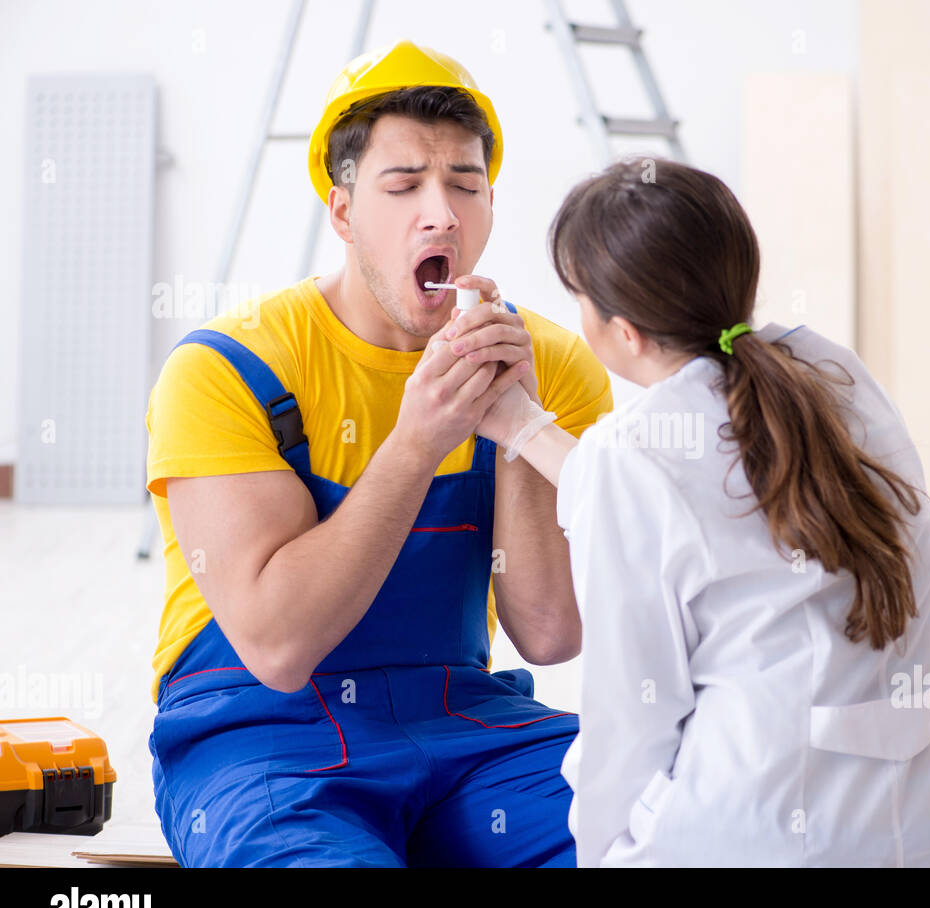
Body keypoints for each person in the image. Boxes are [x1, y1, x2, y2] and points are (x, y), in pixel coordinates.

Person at [470, 157, 930, 866]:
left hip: (772, 833)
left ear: (622, 331)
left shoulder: (631, 458)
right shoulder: (830, 374)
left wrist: (607, 851)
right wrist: (522, 426)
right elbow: (686, 502)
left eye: (578, 297)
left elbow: (629, 722)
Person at [144, 40, 612, 866]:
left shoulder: (548, 364)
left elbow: (547, 632)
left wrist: (518, 429)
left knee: (641, 834)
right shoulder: (226, 372)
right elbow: (279, 647)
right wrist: (419, 438)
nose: (442, 213)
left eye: (465, 185)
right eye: (404, 186)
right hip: (258, 736)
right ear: (345, 213)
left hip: (470, 724)